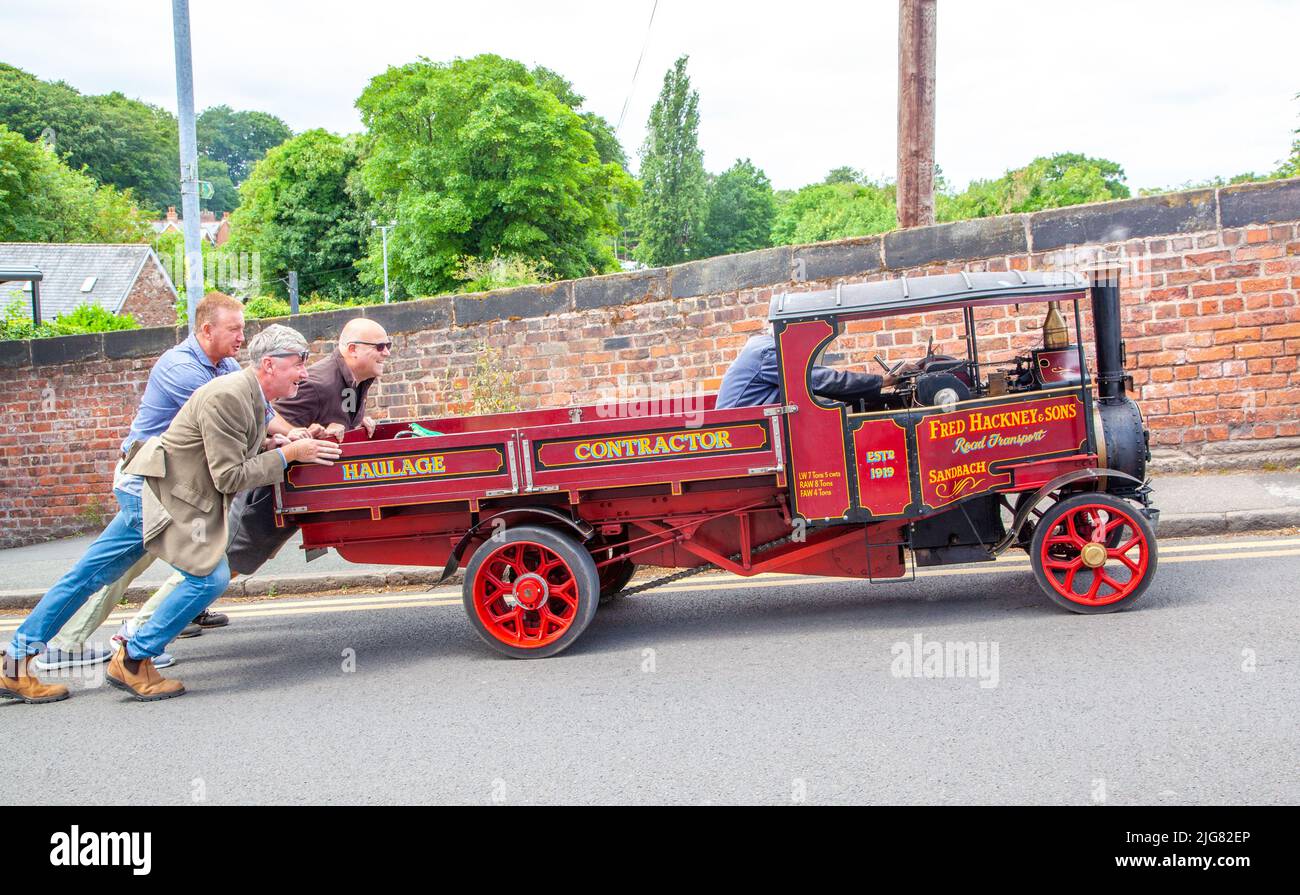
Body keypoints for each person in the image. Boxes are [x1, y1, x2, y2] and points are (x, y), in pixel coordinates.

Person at [0, 325, 342, 704]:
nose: (305, 373)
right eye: (299, 363)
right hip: (162, 496)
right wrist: (288, 456)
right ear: (269, 364)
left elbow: (229, 446)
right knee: (209, 578)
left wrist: (276, 441)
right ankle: (132, 659)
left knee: (87, 577)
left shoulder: (248, 394)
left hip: (158, 492)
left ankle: (15, 663)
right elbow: (227, 476)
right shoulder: (229, 394)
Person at [145, 317, 389, 593]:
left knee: (224, 567)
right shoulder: (318, 382)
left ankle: (176, 612)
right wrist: (293, 443)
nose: (386, 352)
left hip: (288, 493)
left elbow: (302, 429)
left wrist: (353, 425)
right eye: (380, 346)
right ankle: (148, 621)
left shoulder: (352, 380)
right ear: (353, 349)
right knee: (216, 566)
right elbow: (271, 428)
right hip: (262, 495)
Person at [715, 333, 916, 410]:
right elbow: (819, 380)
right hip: (749, 436)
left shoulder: (763, 347)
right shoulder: (769, 352)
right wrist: (882, 381)